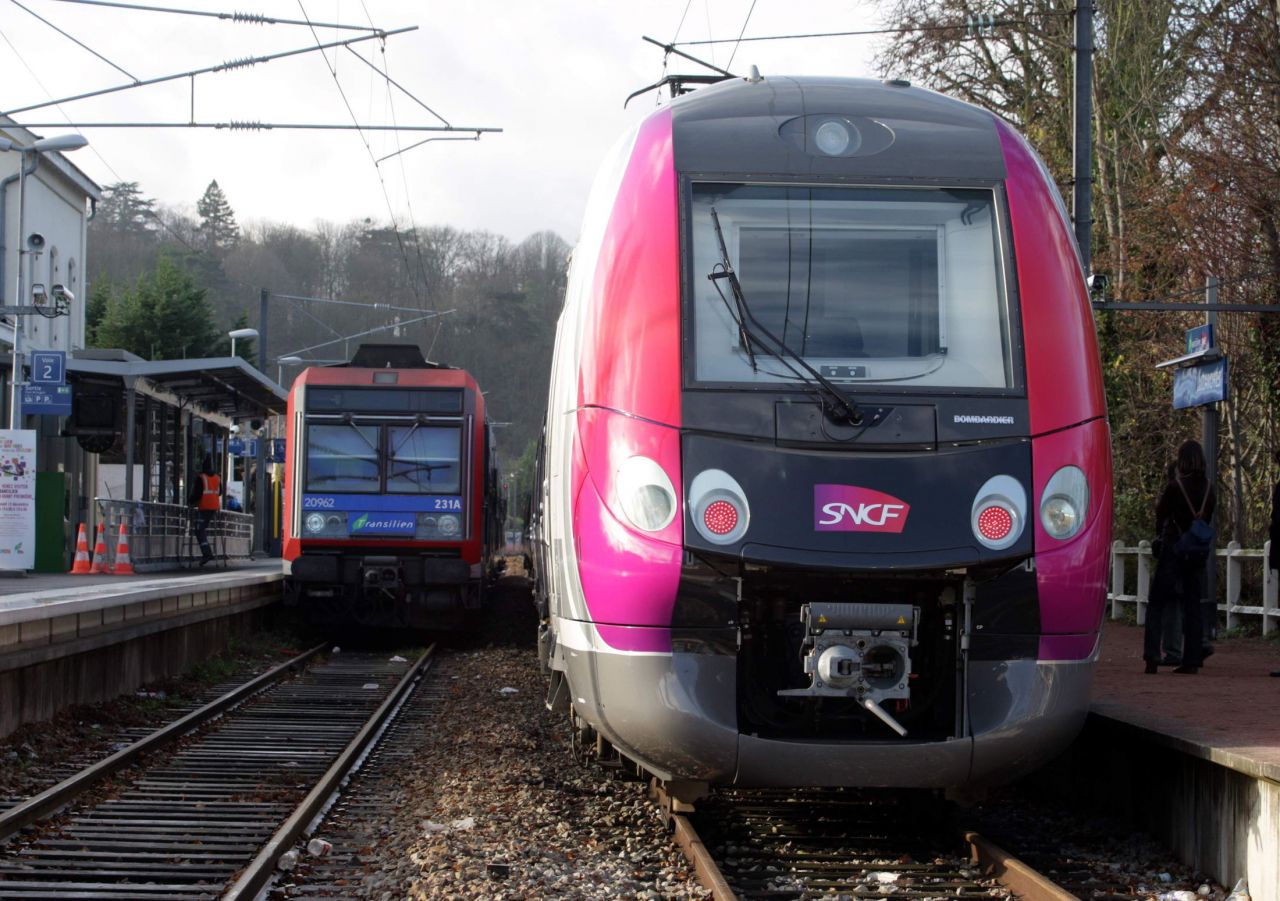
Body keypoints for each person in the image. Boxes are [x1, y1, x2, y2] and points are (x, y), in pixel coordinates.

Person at [1144, 440, 1215, 675]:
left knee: (1157, 602)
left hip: (1174, 548)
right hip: (1196, 552)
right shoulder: (1209, 488)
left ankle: (1152, 655)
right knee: (1193, 605)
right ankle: (1192, 659)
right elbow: (1207, 517)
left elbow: (1161, 513)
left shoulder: (1175, 487)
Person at [187, 457, 223, 567]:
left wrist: (190, 501)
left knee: (199, 529)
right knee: (202, 528)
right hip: (214, 507)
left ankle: (207, 553)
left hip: (204, 507)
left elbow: (197, 494)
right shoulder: (217, 478)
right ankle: (208, 553)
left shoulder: (201, 478)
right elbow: (220, 492)